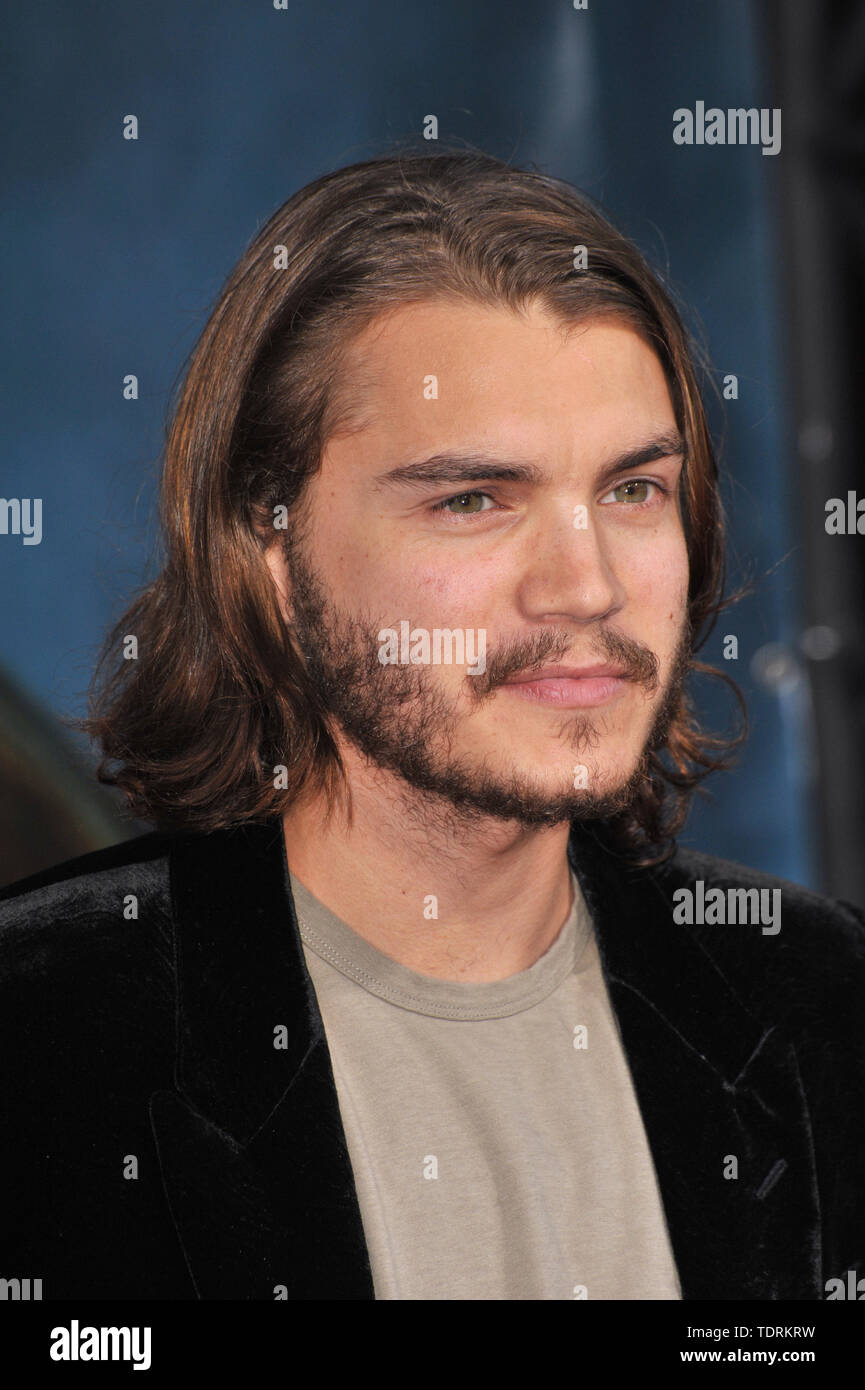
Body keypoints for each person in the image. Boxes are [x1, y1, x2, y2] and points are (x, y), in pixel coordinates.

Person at [1, 150, 863, 1302]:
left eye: (631, 490)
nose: (586, 585)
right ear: (269, 553)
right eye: (472, 500)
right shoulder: (45, 1035)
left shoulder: (819, 998)